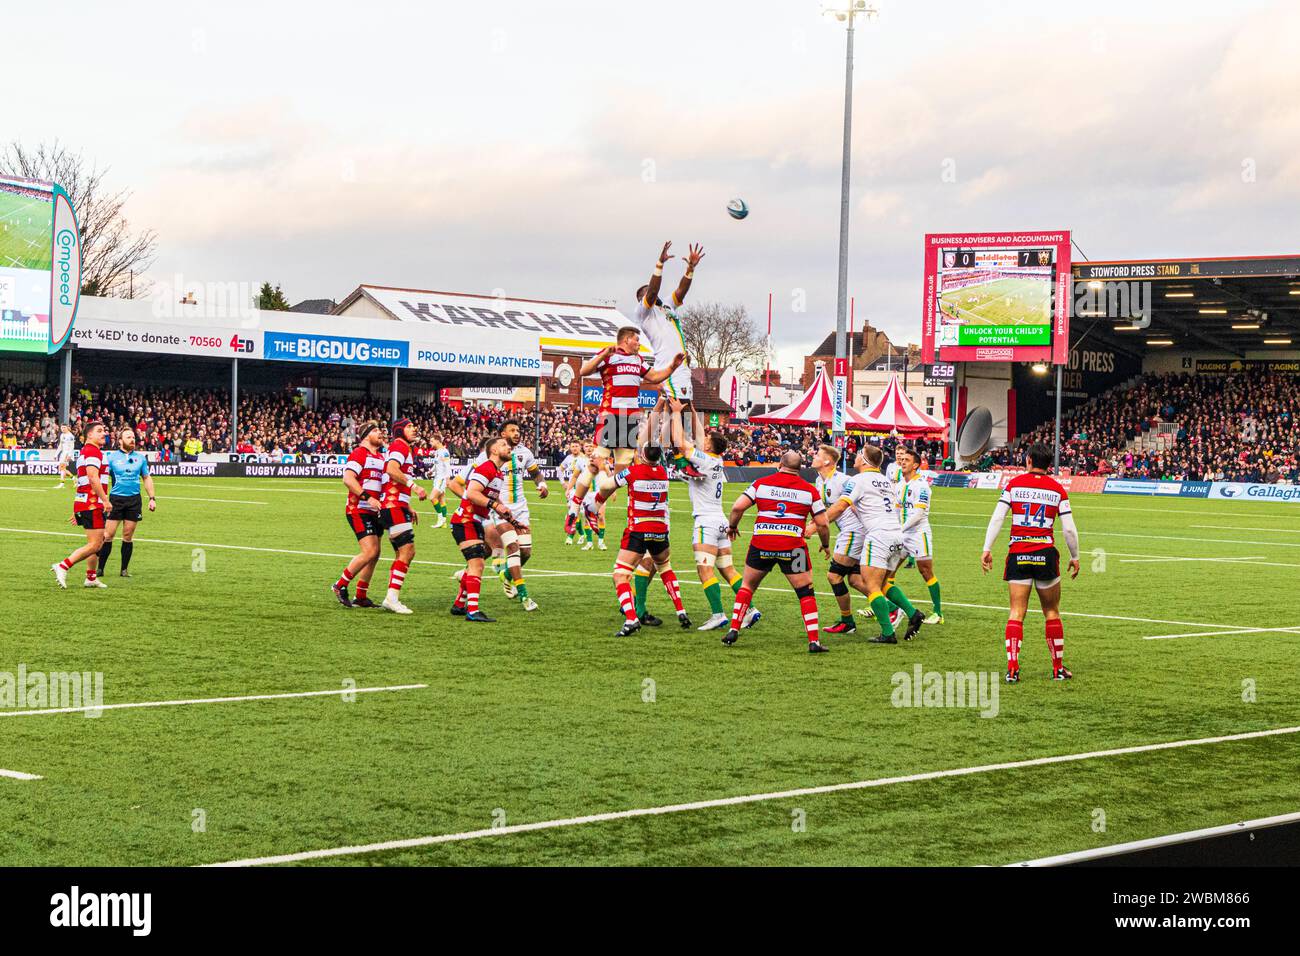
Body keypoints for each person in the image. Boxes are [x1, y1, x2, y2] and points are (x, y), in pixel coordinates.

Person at [981, 442, 1080, 682]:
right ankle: (1057, 669)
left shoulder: (1013, 485)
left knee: (1016, 612)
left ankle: (1012, 668)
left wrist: (987, 548)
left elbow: (997, 519)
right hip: (1045, 554)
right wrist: (1075, 556)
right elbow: (1068, 529)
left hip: (1018, 553)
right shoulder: (1058, 489)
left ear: (1028, 461)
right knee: (1052, 612)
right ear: (1049, 464)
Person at [723, 450, 831, 652]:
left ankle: (733, 630)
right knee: (805, 592)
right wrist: (825, 545)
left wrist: (732, 526)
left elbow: (738, 507)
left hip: (762, 543)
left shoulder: (761, 484)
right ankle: (814, 641)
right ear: (800, 469)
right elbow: (823, 523)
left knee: (747, 586)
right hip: (793, 547)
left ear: (780, 464)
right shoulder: (809, 491)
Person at [668, 398, 759, 631]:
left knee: (704, 569)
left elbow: (679, 442)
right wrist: (694, 411)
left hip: (706, 522)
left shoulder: (705, 460)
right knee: (728, 570)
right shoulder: (716, 460)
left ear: (709, 446)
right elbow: (701, 437)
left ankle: (718, 614)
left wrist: (677, 413)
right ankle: (749, 609)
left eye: (706, 440)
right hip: (720, 521)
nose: (702, 440)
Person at [825, 445, 926, 645]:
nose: (854, 457)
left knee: (871, 586)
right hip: (898, 535)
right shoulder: (886, 481)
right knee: (882, 584)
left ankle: (888, 633)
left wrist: (816, 524)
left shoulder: (858, 480)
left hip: (879, 536)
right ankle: (913, 613)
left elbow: (840, 506)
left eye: (857, 454)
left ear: (863, 459)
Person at [572, 326, 683, 506]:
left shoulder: (637, 360)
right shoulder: (609, 355)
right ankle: (575, 505)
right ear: (626, 340)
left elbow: (654, 377)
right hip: (612, 414)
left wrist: (673, 366)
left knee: (620, 475)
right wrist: (603, 354)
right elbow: (584, 371)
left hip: (630, 418)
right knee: (596, 462)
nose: (639, 343)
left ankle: (594, 505)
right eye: (636, 340)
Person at [599, 445, 691, 636]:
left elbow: (606, 486)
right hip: (660, 530)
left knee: (620, 574)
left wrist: (602, 485)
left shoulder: (633, 471)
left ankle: (631, 619)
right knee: (664, 567)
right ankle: (680, 611)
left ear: (640, 455)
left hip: (639, 529)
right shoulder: (664, 474)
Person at [633, 241, 704, 468]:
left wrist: (690, 269)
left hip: (681, 366)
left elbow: (681, 291)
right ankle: (682, 461)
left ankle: (663, 456)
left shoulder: (668, 309)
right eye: (646, 294)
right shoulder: (644, 313)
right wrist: (659, 265)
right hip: (670, 367)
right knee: (679, 409)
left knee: (679, 410)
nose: (652, 294)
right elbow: (653, 291)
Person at [449, 435, 518, 623]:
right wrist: (496, 506)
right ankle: (473, 610)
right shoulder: (486, 467)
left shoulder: (498, 473)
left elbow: (492, 498)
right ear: (494, 450)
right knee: (477, 564)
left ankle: (459, 604)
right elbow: (471, 492)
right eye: (504, 445)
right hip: (465, 520)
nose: (509, 447)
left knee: (476, 563)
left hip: (474, 521)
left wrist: (508, 514)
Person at [812, 444, 873, 635]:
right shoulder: (819, 481)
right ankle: (890, 608)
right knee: (855, 579)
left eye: (817, 454)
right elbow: (823, 513)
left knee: (834, 576)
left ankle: (848, 622)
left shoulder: (843, 480)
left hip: (854, 532)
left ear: (827, 461)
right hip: (846, 533)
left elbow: (857, 504)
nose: (813, 456)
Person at [51, 421, 111, 590]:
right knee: (95, 544)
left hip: (86, 503)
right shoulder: (92, 452)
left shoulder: (87, 452)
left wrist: (78, 507)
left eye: (104, 430)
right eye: (99, 431)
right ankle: (63, 566)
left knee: (98, 540)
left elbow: (82, 481)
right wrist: (105, 500)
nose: (103, 433)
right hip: (92, 503)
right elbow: (92, 477)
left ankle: (91, 578)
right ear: (89, 435)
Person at [378, 417, 429, 614]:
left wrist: (406, 504)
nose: (414, 429)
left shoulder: (401, 447)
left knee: (402, 552)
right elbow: (391, 470)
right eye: (409, 426)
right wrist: (414, 486)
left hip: (395, 504)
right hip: (393, 506)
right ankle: (391, 598)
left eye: (414, 425)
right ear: (399, 431)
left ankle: (391, 596)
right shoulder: (400, 446)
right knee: (408, 551)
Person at [333, 422, 386, 608]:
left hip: (375, 511)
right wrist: (367, 497)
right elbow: (347, 479)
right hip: (359, 509)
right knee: (369, 551)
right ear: (365, 436)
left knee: (376, 553)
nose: (380, 433)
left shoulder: (380, 457)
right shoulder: (359, 454)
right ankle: (340, 585)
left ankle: (361, 596)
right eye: (376, 431)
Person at [99, 427, 157, 577]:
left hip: (134, 501)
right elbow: (102, 478)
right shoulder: (111, 458)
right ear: (120, 441)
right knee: (107, 535)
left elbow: (146, 477)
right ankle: (100, 569)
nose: (132, 439)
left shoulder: (140, 458)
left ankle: (124, 570)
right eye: (128, 437)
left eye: (133, 437)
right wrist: (102, 499)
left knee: (127, 536)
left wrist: (152, 498)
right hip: (116, 500)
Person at [896, 446, 943, 624]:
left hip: (918, 534)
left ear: (916, 465)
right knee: (888, 571)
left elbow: (918, 514)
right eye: (902, 460)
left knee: (926, 571)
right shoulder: (900, 485)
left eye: (907, 460)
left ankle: (938, 613)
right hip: (901, 535)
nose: (902, 462)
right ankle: (893, 609)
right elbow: (896, 509)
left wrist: (900, 528)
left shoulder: (922, 485)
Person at [429, 435, 453, 529]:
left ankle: (440, 520)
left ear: (438, 441)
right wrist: (431, 471)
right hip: (437, 478)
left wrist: (448, 479)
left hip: (442, 479)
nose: (430, 443)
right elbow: (437, 464)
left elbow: (447, 466)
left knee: (432, 497)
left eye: (432, 441)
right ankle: (444, 523)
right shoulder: (437, 452)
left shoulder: (444, 452)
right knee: (441, 500)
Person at [54, 424, 76, 489]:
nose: (63, 429)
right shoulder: (62, 435)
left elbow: (72, 446)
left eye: (64, 427)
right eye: (62, 427)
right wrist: (56, 454)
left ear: (67, 428)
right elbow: (60, 446)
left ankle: (62, 483)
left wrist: (69, 455)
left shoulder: (70, 436)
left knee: (62, 468)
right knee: (62, 469)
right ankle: (74, 480)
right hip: (63, 453)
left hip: (67, 453)